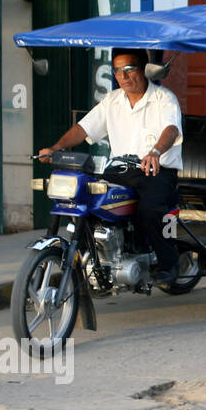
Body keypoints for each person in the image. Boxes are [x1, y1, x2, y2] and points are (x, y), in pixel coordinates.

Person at [40, 48, 184, 284]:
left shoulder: (163, 98)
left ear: (144, 70)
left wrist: (155, 152)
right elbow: (84, 128)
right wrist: (56, 147)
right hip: (119, 171)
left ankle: (169, 264)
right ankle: (94, 256)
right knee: (85, 201)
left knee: (150, 211)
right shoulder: (112, 100)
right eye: (118, 70)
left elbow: (171, 129)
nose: (123, 76)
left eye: (129, 69)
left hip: (156, 171)